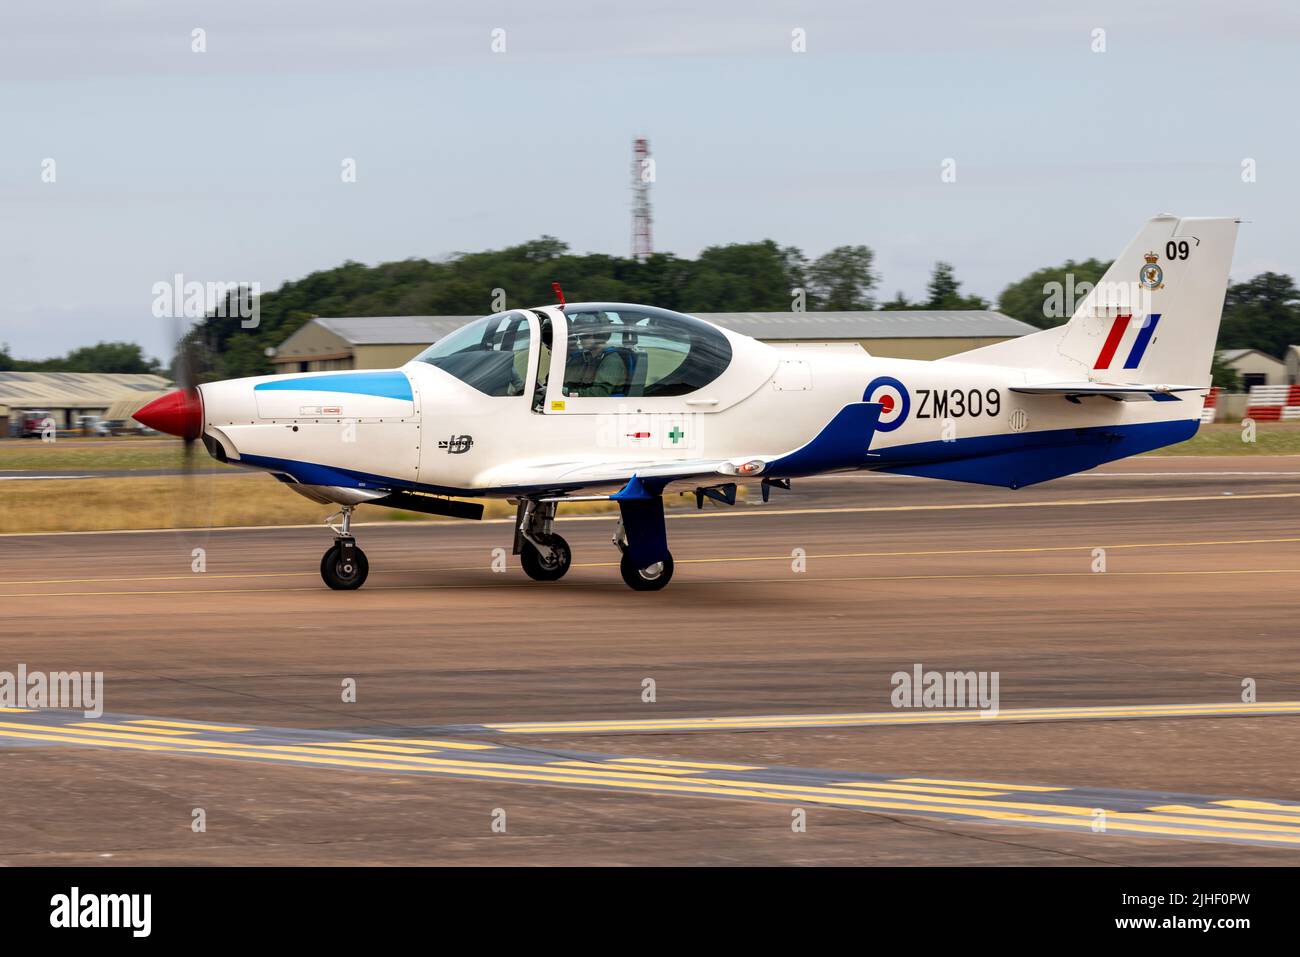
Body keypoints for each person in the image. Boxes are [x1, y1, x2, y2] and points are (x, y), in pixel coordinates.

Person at [564, 314, 626, 397]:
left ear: (599, 335)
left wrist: (567, 393)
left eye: (584, 336)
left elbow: (599, 393)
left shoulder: (611, 361)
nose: (580, 340)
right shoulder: (588, 357)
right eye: (579, 336)